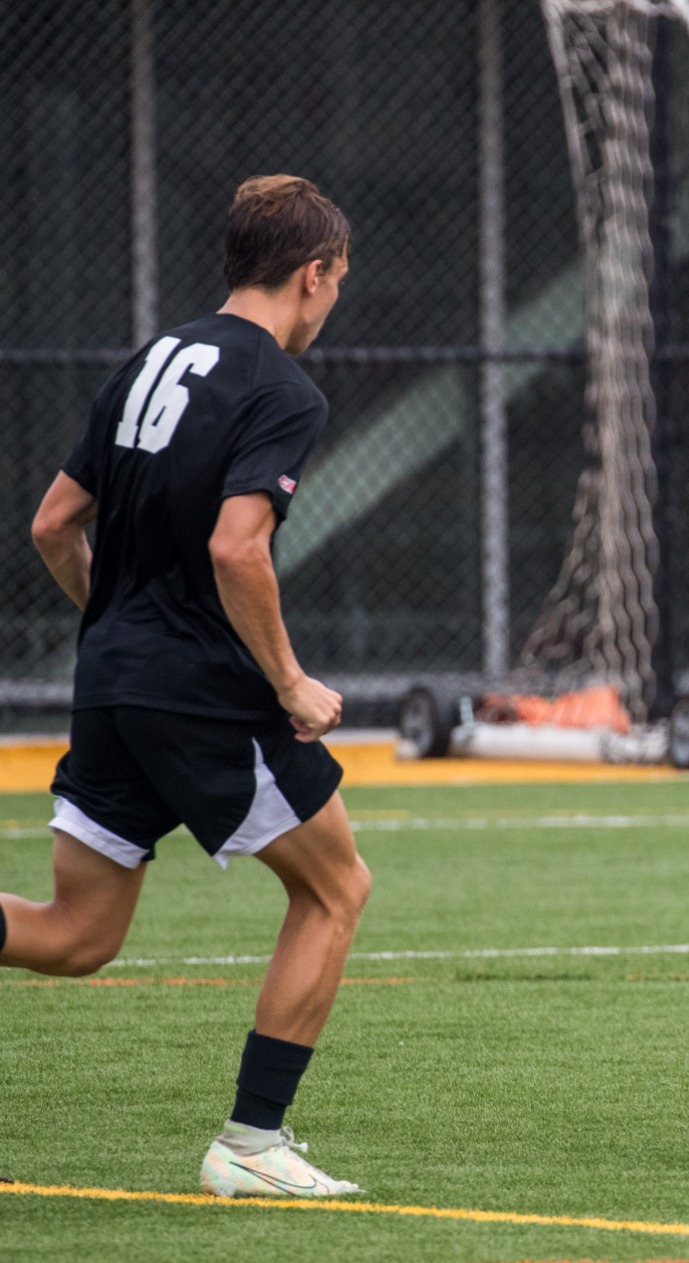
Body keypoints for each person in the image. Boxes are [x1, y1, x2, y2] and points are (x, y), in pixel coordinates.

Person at [0, 176, 372, 1194]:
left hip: (112, 679)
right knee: (336, 889)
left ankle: (255, 1144)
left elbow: (50, 524)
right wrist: (290, 682)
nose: (333, 302)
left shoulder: (150, 359)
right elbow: (236, 549)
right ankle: (252, 1144)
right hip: (205, 692)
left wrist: (119, 630)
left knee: (75, 936)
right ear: (314, 273)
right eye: (337, 283)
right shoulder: (282, 389)